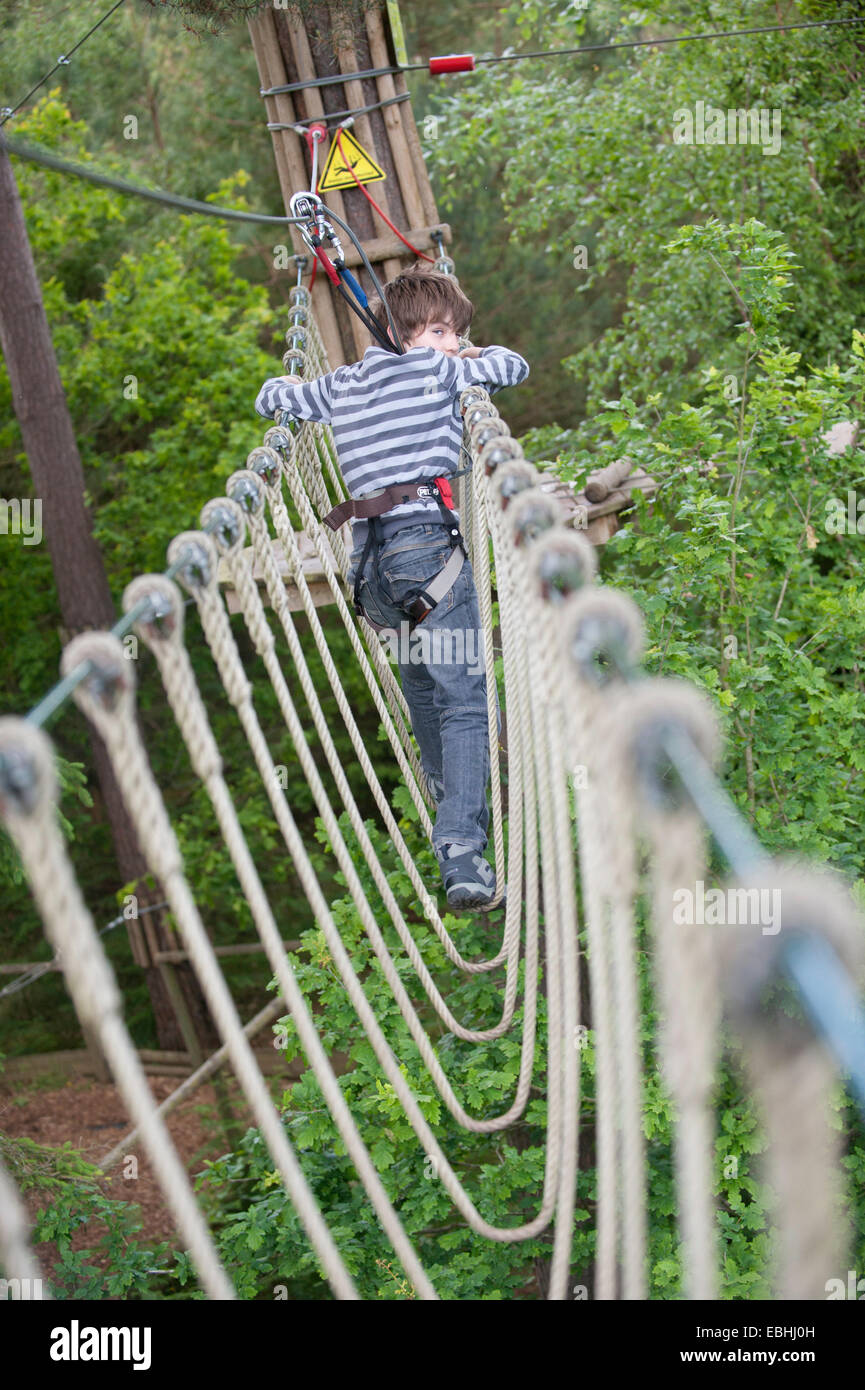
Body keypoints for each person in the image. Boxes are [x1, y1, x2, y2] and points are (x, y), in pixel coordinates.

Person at [255, 266, 529, 910]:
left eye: (456, 333)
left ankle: (446, 797)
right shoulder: (437, 371)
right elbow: (514, 369)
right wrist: (477, 353)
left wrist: (294, 381)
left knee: (426, 688)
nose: (452, 343)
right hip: (428, 555)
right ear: (406, 333)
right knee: (466, 700)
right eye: (441, 331)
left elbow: (274, 399)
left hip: (371, 574)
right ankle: (461, 846)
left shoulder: (344, 383)